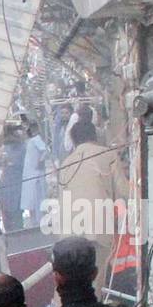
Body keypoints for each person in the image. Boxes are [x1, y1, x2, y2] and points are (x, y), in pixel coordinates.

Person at [57, 119, 121, 286]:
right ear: (95, 136)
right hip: (98, 229)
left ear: (74, 141)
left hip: (70, 232)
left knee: (72, 282)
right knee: (95, 281)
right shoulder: (107, 154)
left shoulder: (66, 163)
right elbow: (123, 193)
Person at [20, 121, 49, 226]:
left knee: (37, 200)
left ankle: (39, 223)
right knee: (31, 201)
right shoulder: (29, 141)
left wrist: (40, 161)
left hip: (35, 175)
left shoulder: (36, 139)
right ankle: (34, 222)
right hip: (30, 174)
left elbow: (45, 150)